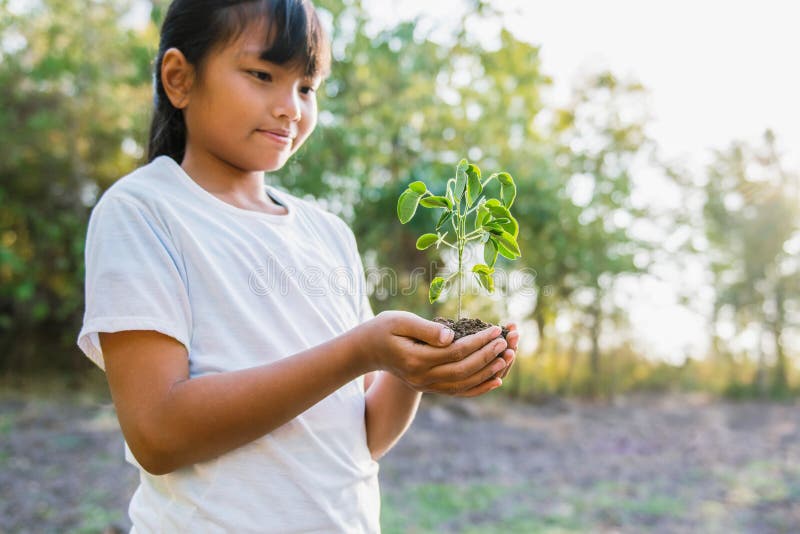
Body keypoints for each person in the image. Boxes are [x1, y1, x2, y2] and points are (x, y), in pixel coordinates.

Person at [76, 0, 519, 532]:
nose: (290, 107)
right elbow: (158, 434)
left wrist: (410, 371)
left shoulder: (327, 234)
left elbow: (362, 439)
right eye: (262, 75)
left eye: (307, 88)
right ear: (180, 78)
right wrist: (360, 350)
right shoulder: (145, 212)